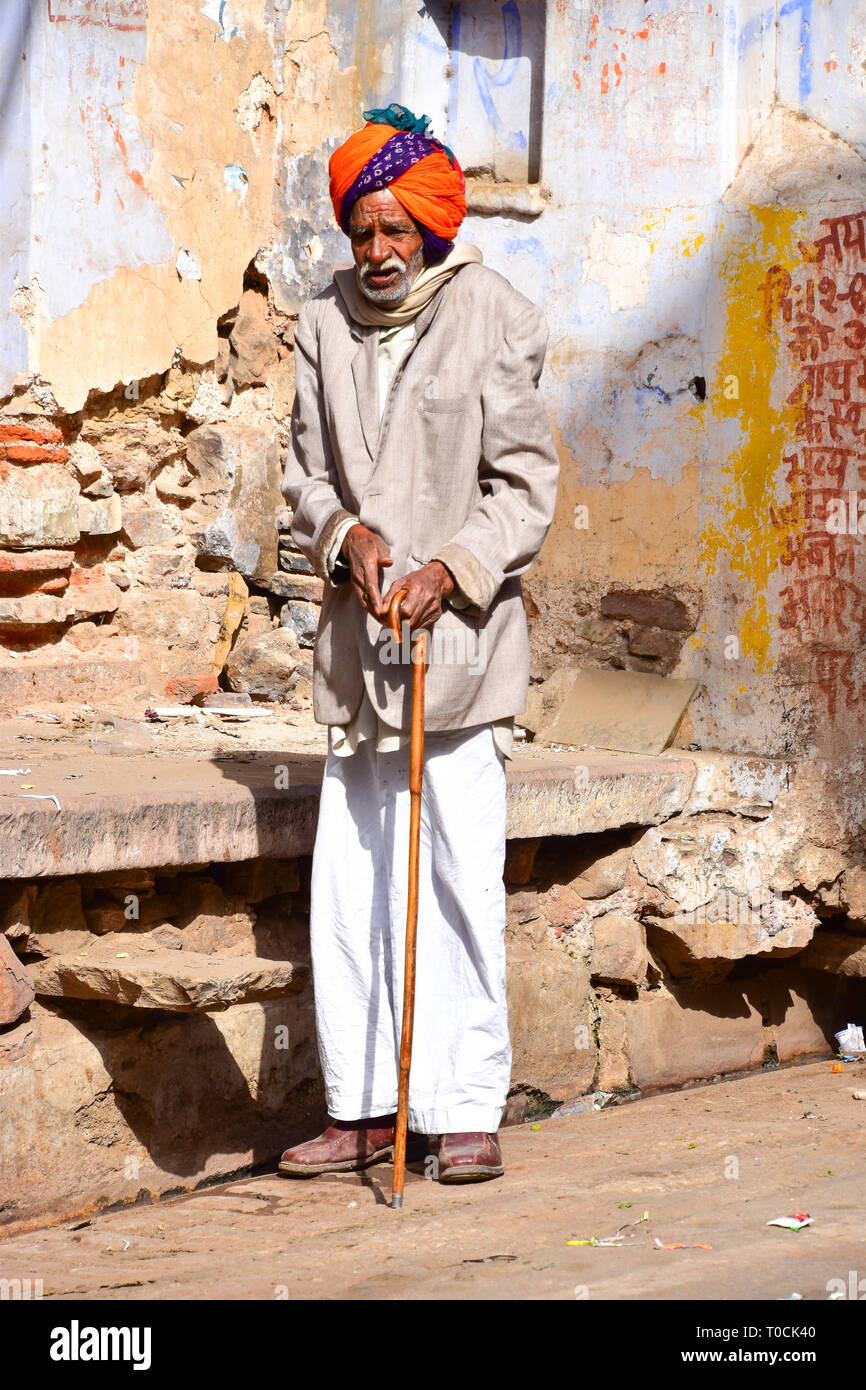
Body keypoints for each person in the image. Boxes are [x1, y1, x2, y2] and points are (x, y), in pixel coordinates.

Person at [279, 103, 559, 1184]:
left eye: (396, 229)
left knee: (455, 877)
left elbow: (523, 488)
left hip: (457, 648)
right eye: (362, 230)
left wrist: (450, 569)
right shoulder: (320, 324)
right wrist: (342, 536)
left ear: (433, 228)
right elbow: (306, 474)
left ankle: (462, 1108)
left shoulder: (493, 315)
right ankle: (361, 1107)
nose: (378, 250)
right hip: (362, 653)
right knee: (351, 886)